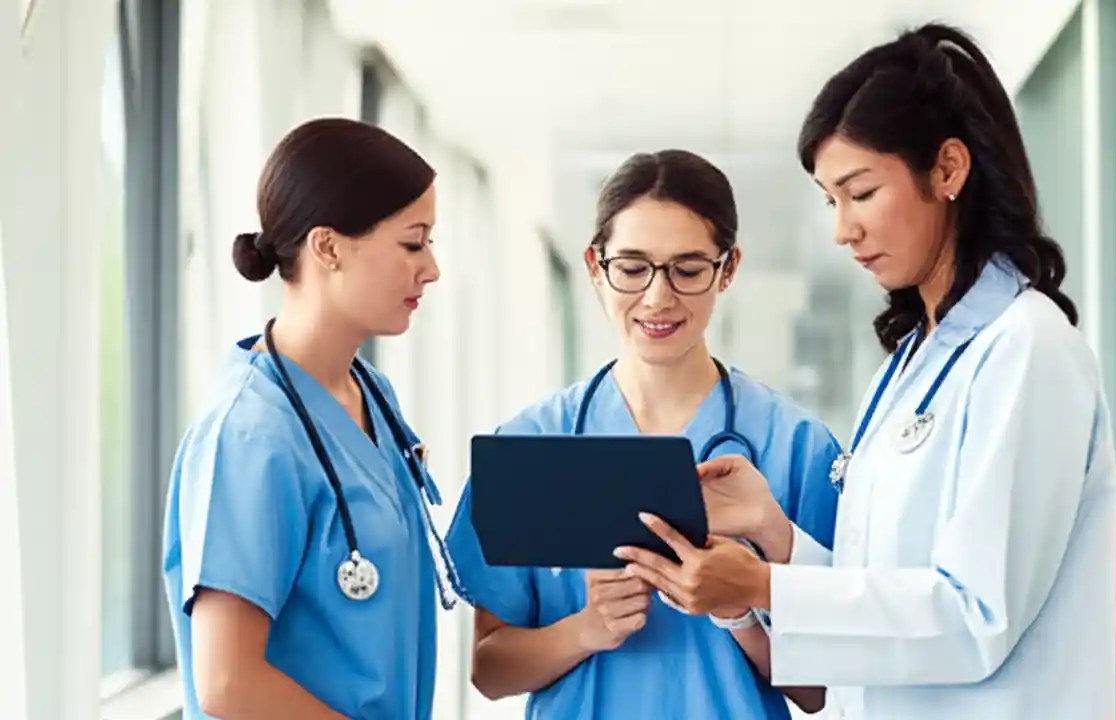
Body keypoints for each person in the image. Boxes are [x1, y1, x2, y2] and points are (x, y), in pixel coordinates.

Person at [616, 24, 1116, 719]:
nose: (841, 229)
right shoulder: (917, 358)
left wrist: (765, 587)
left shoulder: (1028, 347)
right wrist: (775, 535)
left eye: (860, 192)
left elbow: (974, 616)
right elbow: (885, 593)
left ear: (947, 170)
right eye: (831, 200)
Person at [445, 149, 839, 718]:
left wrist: (740, 605)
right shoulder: (530, 446)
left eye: (688, 268)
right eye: (631, 268)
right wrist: (585, 630)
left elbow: (819, 690)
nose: (658, 297)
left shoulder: (794, 446)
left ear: (727, 269)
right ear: (593, 266)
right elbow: (489, 669)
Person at [162, 118, 460, 719]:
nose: (430, 268)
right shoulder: (251, 435)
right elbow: (226, 680)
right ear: (327, 247)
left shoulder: (372, 395)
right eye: (412, 243)